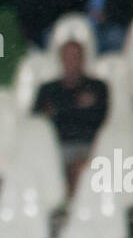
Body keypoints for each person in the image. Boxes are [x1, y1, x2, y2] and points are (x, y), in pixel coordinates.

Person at [32, 39, 108, 181]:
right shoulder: (47, 89)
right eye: (67, 56)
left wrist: (60, 110)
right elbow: (37, 122)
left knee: (81, 167)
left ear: (83, 59)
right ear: (61, 59)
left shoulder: (98, 87)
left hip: (88, 146)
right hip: (56, 147)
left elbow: (101, 118)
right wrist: (77, 108)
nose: (71, 61)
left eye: (75, 56)